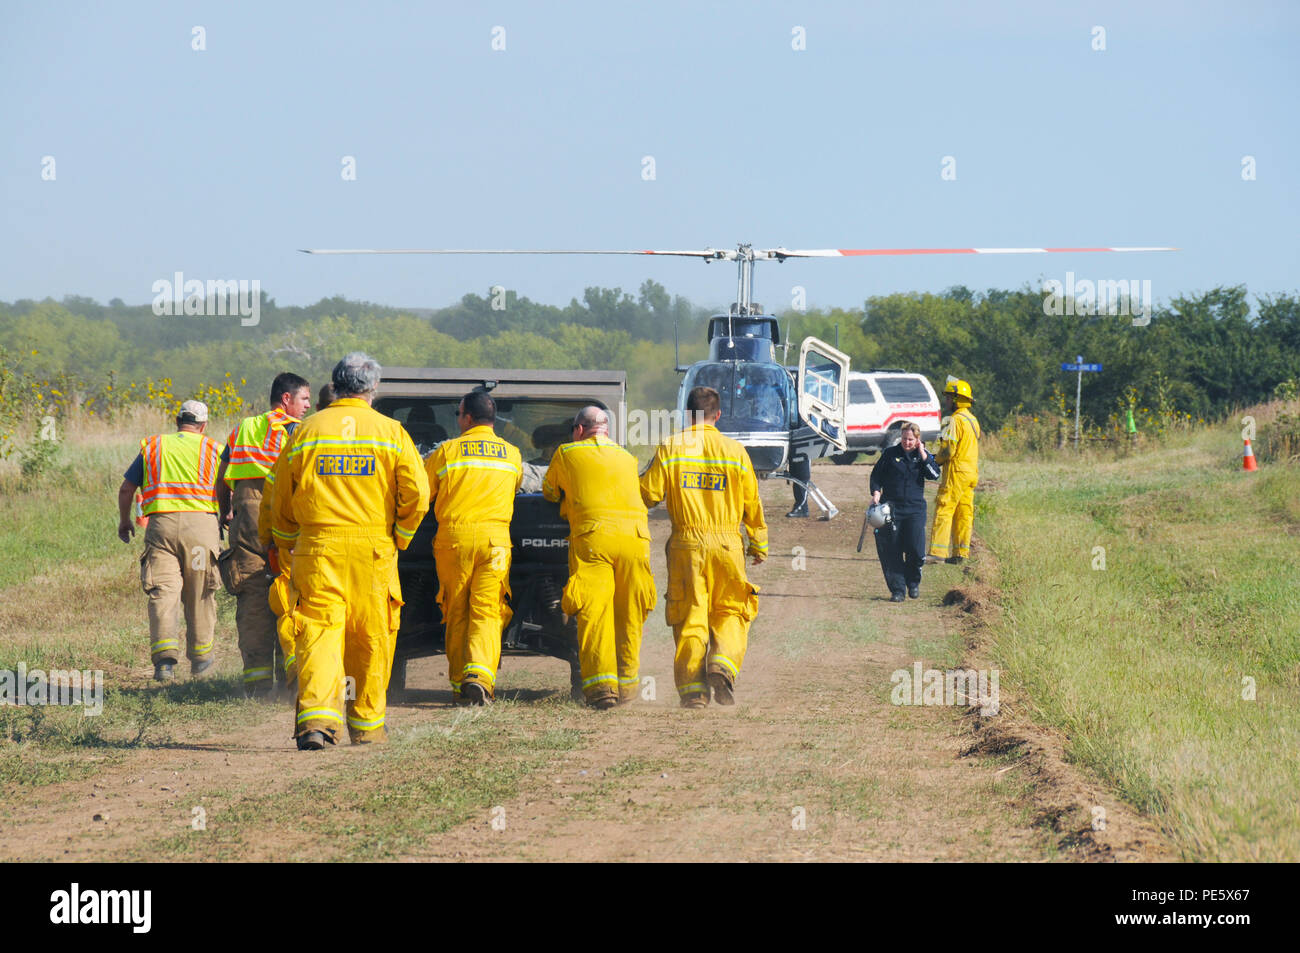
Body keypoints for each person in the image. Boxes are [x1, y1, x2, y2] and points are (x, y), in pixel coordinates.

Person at [270, 352, 430, 749]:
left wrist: (288, 544)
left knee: (320, 634)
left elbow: (279, 497)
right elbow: (419, 495)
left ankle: (316, 723)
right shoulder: (391, 432)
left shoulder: (304, 431)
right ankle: (367, 726)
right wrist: (400, 536)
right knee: (371, 637)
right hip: (374, 551)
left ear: (334, 385)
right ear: (373, 390)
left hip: (316, 550)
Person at [640, 386, 767, 708]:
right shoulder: (736, 451)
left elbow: (648, 494)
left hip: (687, 545)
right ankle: (722, 663)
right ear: (718, 415)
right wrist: (759, 544)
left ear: (687, 414)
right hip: (728, 545)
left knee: (690, 617)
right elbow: (752, 503)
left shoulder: (671, 447)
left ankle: (694, 692)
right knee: (731, 611)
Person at [542, 406, 656, 709]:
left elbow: (550, 492)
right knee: (629, 614)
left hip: (595, 539)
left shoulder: (567, 453)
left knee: (595, 611)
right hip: (636, 541)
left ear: (579, 430)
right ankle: (628, 686)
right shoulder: (627, 458)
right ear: (607, 431)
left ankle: (601, 688)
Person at [423, 389, 523, 705]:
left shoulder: (447, 452)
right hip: (495, 543)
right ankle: (478, 677)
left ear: (466, 417)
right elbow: (515, 490)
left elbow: (422, 495)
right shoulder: (512, 454)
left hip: (454, 541)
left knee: (456, 611)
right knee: (488, 610)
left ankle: (457, 685)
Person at [215, 372, 310, 697]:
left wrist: (225, 510)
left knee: (253, 592)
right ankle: (294, 674)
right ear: (286, 399)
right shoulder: (295, 430)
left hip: (244, 511)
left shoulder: (243, 428)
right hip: (281, 512)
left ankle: (256, 681)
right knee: (290, 589)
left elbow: (222, 472)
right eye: (304, 399)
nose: (308, 406)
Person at [117, 400, 223, 681]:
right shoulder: (214, 448)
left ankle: (164, 663)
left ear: (177, 422)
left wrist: (125, 521)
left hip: (161, 528)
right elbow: (230, 487)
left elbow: (127, 488)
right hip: (201, 530)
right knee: (200, 591)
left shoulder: (153, 446)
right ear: (203, 426)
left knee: (163, 592)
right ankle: (201, 662)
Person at [869, 422, 940, 601]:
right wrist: (876, 493)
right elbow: (876, 476)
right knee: (892, 549)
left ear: (917, 440)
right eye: (904, 439)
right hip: (891, 509)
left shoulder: (923, 457)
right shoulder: (890, 454)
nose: (906, 442)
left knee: (916, 549)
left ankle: (913, 582)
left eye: (910, 439)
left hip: (915, 509)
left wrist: (923, 453)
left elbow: (934, 474)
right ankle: (898, 590)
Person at [927, 379, 981, 565]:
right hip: (971, 472)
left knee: (945, 507)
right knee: (964, 512)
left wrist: (934, 461)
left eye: (949, 398)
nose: (947, 401)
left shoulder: (954, 421)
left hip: (956, 472)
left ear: (958, 399)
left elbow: (948, 450)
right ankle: (960, 554)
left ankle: (936, 552)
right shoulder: (973, 420)